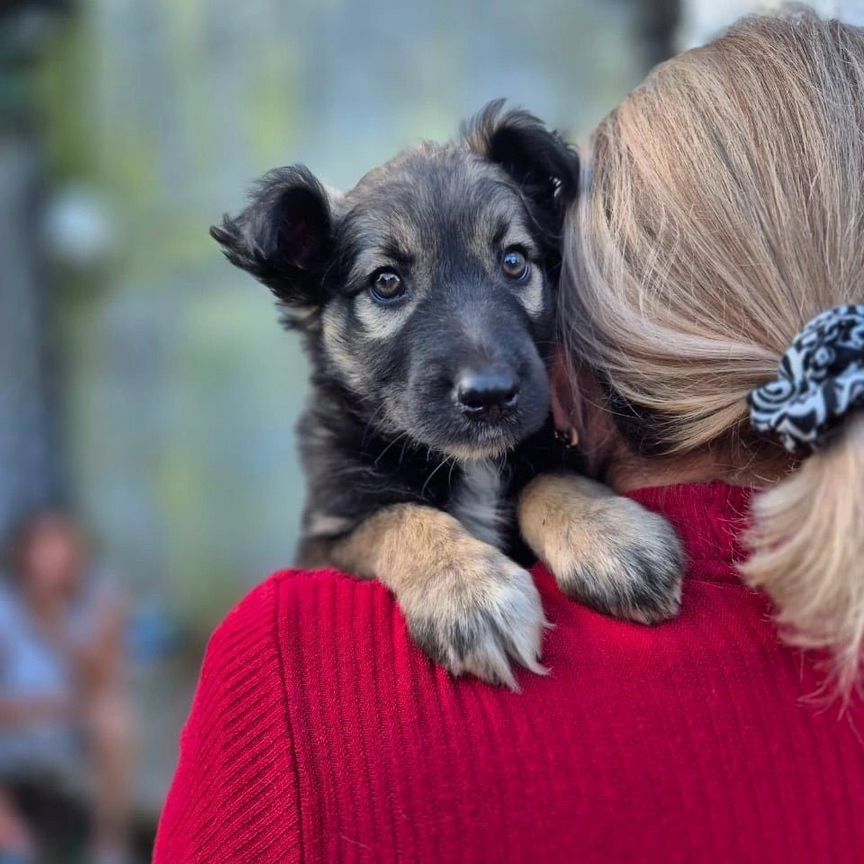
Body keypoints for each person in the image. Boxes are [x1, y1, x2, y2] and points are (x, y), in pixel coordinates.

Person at [155, 12, 864, 863]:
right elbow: (344, 535)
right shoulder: (349, 484)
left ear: (583, 309)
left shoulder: (291, 681)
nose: (485, 363)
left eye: (515, 263)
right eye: (390, 284)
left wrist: (557, 497)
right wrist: (421, 547)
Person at [0, 512, 134, 864]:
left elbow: (103, 683)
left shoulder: (100, 598)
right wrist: (46, 707)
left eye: (59, 549)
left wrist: (55, 624)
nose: (50, 560)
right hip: (15, 721)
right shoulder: (5, 606)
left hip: (70, 722)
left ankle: (109, 844)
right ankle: (12, 838)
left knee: (115, 719)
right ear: (23, 555)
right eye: (41, 550)